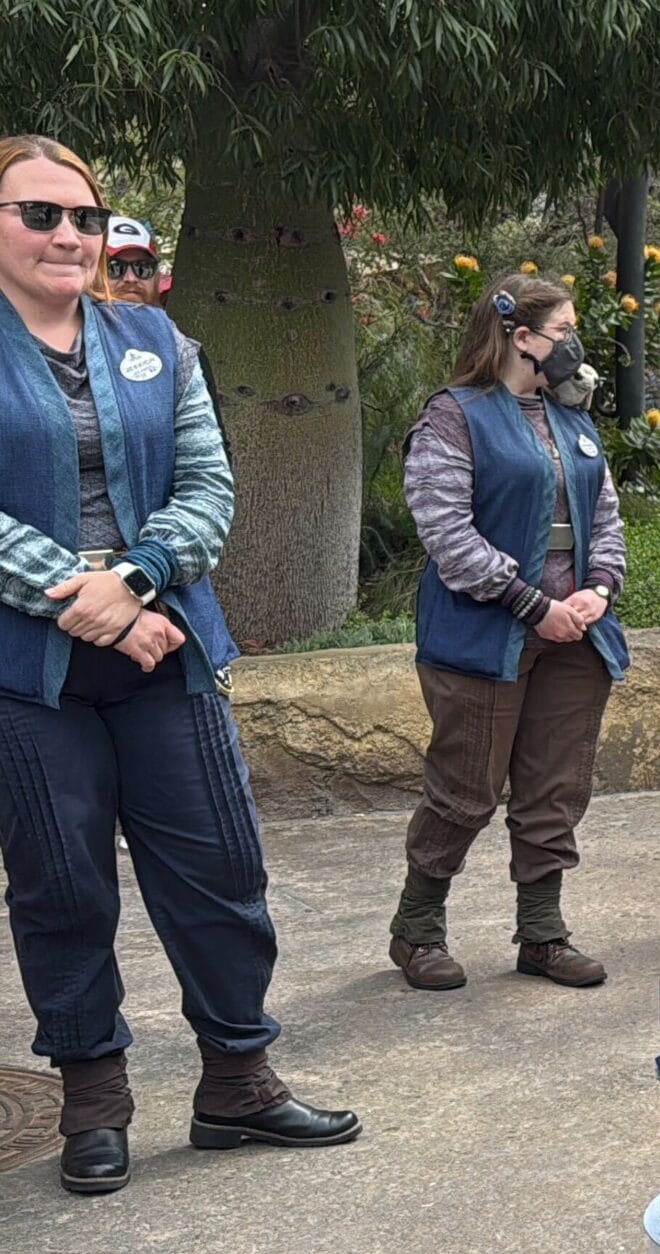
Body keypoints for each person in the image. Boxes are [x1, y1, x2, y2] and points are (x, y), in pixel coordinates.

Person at [0, 134, 359, 1195]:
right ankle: (94, 1103)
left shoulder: (155, 339)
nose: (70, 235)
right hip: (30, 671)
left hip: (169, 648)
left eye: (85, 218)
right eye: (39, 214)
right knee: (61, 887)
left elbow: (208, 484)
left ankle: (238, 1084)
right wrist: (91, 604)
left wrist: (142, 583)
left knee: (219, 871)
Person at [388, 273, 628, 993]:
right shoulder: (452, 417)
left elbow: (607, 520)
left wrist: (597, 591)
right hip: (485, 639)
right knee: (464, 789)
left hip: (575, 639)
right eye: (564, 330)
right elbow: (446, 534)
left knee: (555, 790)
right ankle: (418, 929)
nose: (574, 345)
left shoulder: (572, 421)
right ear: (520, 336)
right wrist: (531, 604)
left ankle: (543, 935)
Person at [103, 216, 164, 308]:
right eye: (115, 268)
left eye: (143, 269)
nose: (131, 278)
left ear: (156, 278)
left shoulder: (164, 322)